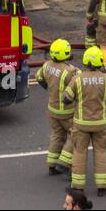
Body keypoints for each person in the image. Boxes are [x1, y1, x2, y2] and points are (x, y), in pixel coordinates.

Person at [62, 45, 106, 196]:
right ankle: (102, 186)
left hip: (81, 124)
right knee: (101, 152)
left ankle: (77, 187)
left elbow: (66, 99)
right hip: (100, 124)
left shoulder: (77, 79)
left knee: (79, 153)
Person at [35, 38, 78, 175]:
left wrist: (49, 88)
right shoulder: (70, 71)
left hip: (52, 109)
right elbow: (77, 87)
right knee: (74, 136)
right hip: (67, 111)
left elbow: (39, 78)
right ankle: (64, 163)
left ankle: (52, 166)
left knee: (57, 136)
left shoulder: (47, 65)